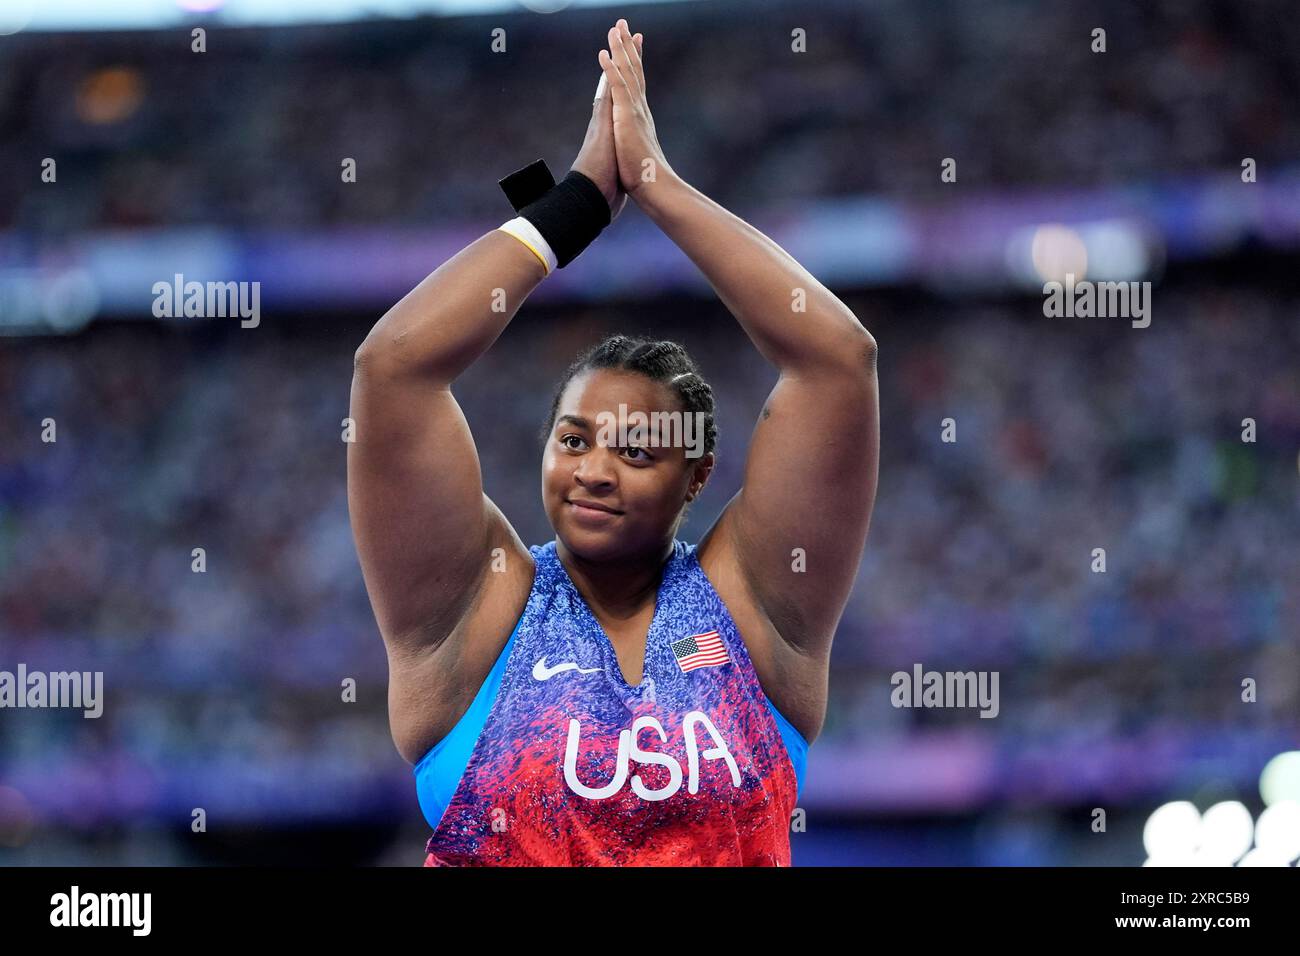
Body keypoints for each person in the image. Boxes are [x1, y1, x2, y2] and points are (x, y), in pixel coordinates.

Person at [347, 19, 879, 865]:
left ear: (696, 475)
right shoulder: (476, 611)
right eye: (574, 439)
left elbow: (838, 361)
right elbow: (394, 367)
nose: (592, 472)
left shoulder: (758, 608)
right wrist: (580, 203)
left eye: (636, 451)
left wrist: (659, 185)